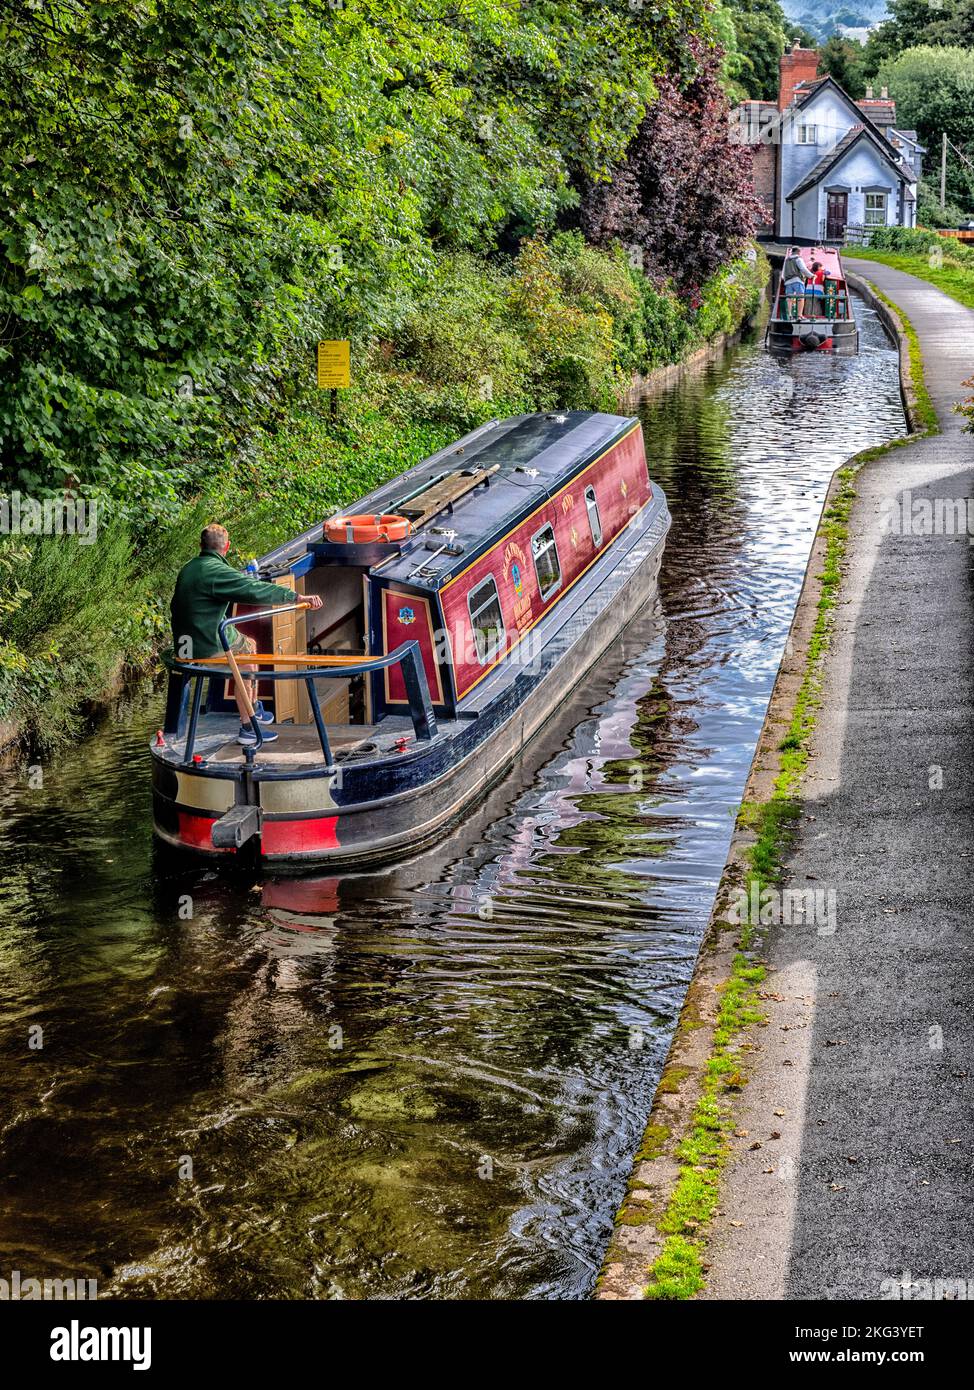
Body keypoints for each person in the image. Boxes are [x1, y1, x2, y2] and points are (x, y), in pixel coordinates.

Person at [170, 523, 322, 745]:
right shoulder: (217, 571)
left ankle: (254, 706)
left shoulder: (189, 567)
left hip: (184, 641)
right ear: (227, 546)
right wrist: (297, 597)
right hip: (206, 643)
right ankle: (248, 727)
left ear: (200, 545)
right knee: (248, 659)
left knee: (248, 641)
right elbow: (255, 590)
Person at [781, 245, 811, 321]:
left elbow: (783, 272)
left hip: (788, 282)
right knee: (801, 297)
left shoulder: (787, 260)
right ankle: (799, 316)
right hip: (797, 280)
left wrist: (785, 280)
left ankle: (789, 315)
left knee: (789, 299)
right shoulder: (798, 259)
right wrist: (811, 275)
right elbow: (803, 269)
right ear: (798, 252)